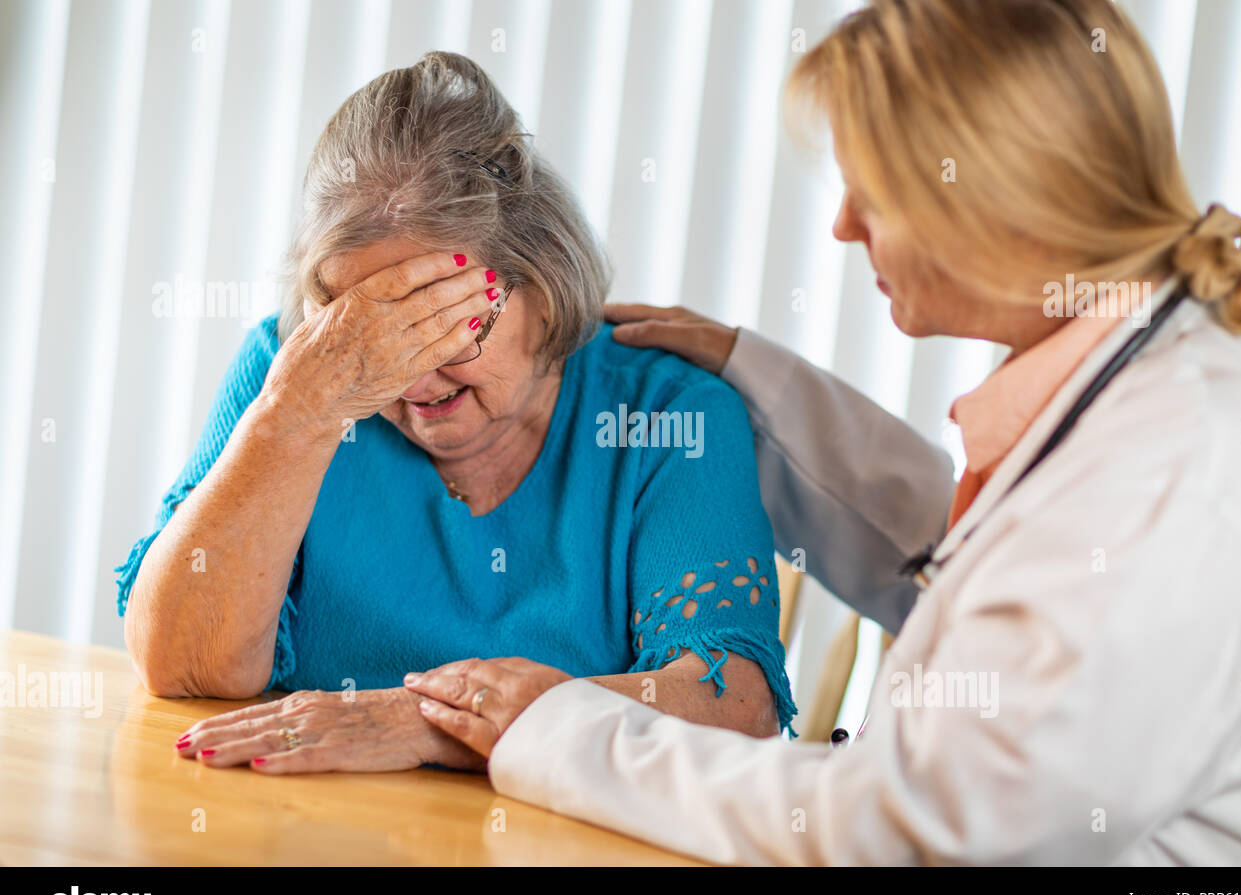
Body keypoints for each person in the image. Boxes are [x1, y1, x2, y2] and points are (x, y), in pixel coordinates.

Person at [404, 0, 1241, 864]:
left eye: (876, 189)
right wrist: (753, 372)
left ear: (995, 194)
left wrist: (560, 728)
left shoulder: (1174, 463)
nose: (842, 225)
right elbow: (960, 559)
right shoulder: (1136, 383)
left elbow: (918, 831)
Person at [116, 52, 795, 774]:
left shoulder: (668, 414)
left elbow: (733, 710)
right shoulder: (297, 377)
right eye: (367, 328)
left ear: (545, 278)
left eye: (445, 320)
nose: (405, 371)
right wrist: (303, 406)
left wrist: (431, 723)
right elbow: (184, 663)